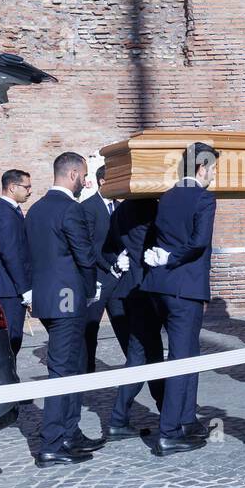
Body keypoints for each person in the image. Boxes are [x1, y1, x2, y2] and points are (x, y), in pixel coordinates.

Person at [25, 152, 104, 467]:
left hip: (47, 300)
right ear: (72, 174)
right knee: (62, 371)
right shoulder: (70, 209)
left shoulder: (35, 210)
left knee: (71, 366)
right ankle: (52, 443)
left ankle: (70, 432)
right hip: (68, 301)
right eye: (84, 175)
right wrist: (90, 290)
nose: (85, 182)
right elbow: (84, 256)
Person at [141, 142, 220, 455]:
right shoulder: (203, 198)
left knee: (186, 355)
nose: (213, 174)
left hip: (158, 288)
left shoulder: (166, 196)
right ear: (201, 168)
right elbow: (199, 243)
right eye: (212, 168)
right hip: (183, 288)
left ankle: (186, 419)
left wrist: (163, 258)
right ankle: (169, 431)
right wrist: (171, 259)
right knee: (182, 358)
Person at [103, 196, 167, 438]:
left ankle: (165, 409)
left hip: (131, 289)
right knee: (140, 356)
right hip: (144, 290)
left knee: (151, 354)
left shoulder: (121, 210)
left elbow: (108, 247)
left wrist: (120, 259)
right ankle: (118, 419)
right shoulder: (150, 207)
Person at [80, 166, 132, 371]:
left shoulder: (121, 207)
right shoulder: (87, 207)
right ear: (102, 181)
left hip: (120, 280)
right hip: (98, 278)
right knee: (90, 328)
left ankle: (136, 367)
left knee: (124, 324)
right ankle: (87, 371)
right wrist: (111, 267)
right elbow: (89, 245)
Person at [0, 168, 32, 356]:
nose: (30, 191)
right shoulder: (5, 214)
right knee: (11, 342)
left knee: (12, 342)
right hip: (9, 290)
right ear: (12, 187)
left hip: (9, 287)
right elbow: (12, 255)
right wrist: (25, 290)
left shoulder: (9, 211)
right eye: (26, 187)